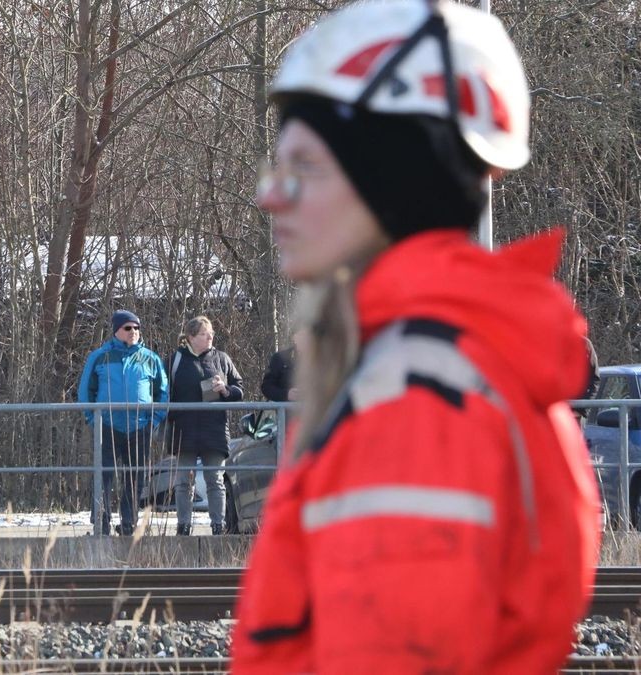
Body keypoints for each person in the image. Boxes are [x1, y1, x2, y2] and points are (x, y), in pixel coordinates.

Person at [231, 2, 601, 672]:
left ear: (390, 182)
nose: (271, 196)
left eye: (305, 166)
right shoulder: (421, 365)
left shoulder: (416, 403)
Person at [77, 309, 169, 536]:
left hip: (140, 426)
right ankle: (101, 523)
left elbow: (163, 392)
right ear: (116, 330)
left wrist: (153, 420)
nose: (133, 332)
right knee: (103, 476)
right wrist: (93, 418)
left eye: (137, 328)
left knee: (135, 477)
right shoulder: (100, 356)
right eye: (128, 328)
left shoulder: (150, 358)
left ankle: (129, 522)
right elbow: (86, 390)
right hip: (107, 426)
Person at [166, 316, 243, 536]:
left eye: (211, 333)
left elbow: (239, 389)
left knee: (215, 480)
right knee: (183, 482)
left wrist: (225, 390)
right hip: (184, 430)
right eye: (203, 334)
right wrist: (170, 415)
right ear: (191, 337)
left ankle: (218, 526)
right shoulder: (175, 360)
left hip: (214, 430)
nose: (209, 337)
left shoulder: (222, 359)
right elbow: (162, 392)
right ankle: (183, 526)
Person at [259, 327, 305, 402]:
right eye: (301, 335)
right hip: (285, 408)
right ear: (294, 338)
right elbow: (266, 387)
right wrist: (286, 394)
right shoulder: (280, 358)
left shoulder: (322, 359)